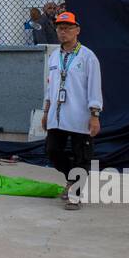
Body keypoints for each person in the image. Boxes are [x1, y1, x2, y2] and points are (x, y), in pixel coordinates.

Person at [41, 11, 103, 210]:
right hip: (57, 115)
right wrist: (46, 111)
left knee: (81, 156)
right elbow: (50, 86)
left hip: (80, 115)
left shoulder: (88, 57)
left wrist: (94, 115)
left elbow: (94, 87)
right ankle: (71, 178)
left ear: (77, 30)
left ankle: (75, 194)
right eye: (60, 28)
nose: (63, 32)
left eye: (67, 28)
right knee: (52, 151)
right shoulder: (54, 56)